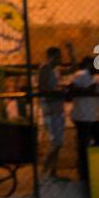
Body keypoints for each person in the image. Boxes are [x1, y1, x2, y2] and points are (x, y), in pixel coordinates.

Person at [68, 57, 99, 180]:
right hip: (83, 116)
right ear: (89, 64)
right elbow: (72, 88)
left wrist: (87, 90)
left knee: (97, 141)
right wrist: (87, 90)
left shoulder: (97, 77)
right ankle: (84, 170)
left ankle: (90, 166)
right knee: (84, 143)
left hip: (92, 115)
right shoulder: (81, 75)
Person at [37, 48, 67, 181]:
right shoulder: (45, 69)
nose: (60, 59)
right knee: (55, 142)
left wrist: (71, 51)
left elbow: (73, 68)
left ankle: (53, 171)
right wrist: (59, 92)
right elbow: (43, 88)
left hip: (58, 109)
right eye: (58, 57)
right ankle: (44, 170)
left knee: (59, 143)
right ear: (51, 57)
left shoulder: (56, 70)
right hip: (50, 110)